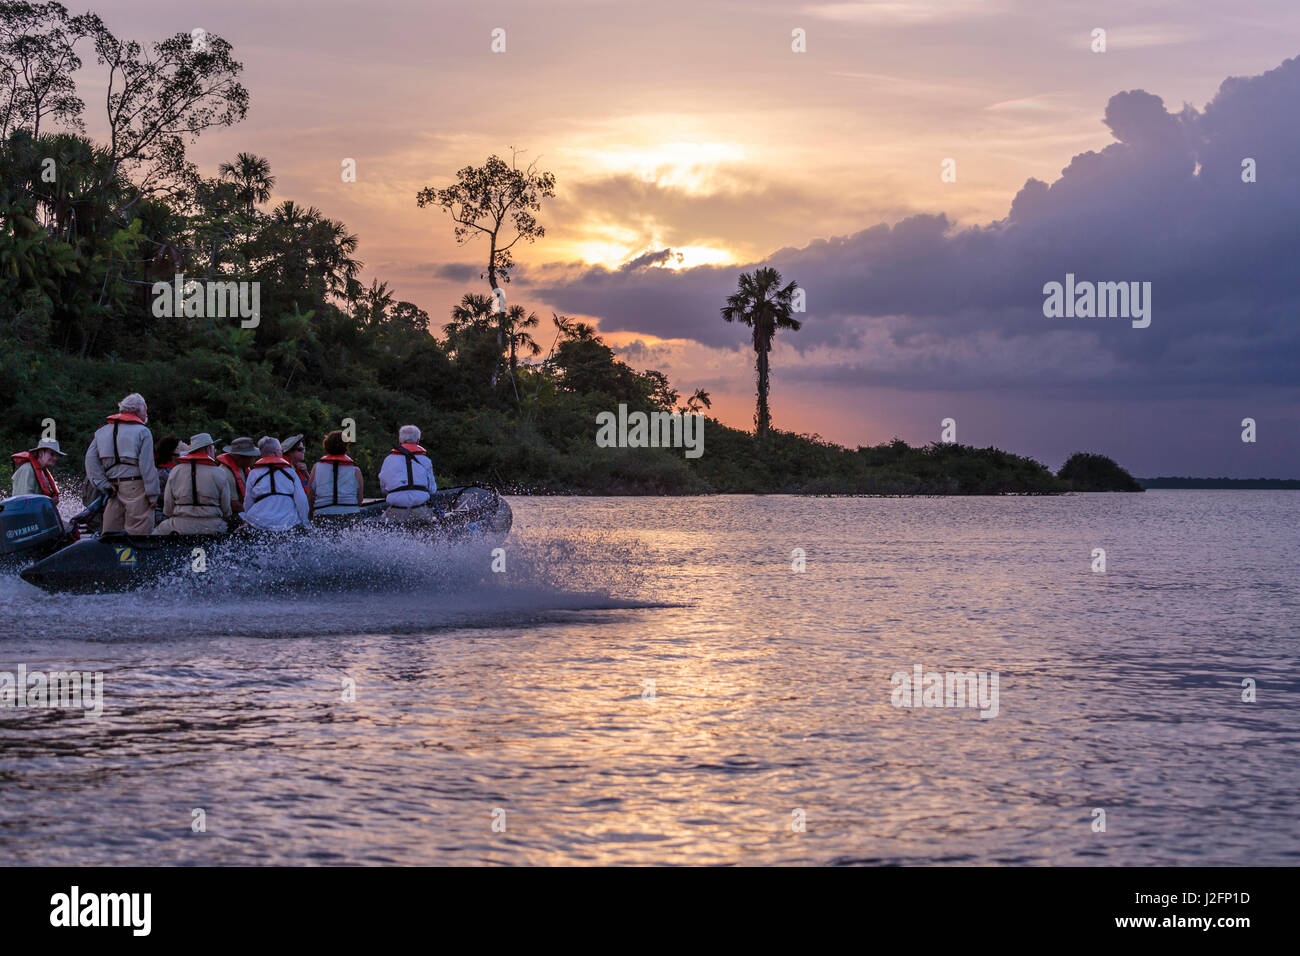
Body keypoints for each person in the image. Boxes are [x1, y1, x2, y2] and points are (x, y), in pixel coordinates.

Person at [84, 392, 158, 535]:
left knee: (110, 535)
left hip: (113, 489)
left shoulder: (101, 432)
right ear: (137, 410)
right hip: (136, 489)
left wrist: (102, 484)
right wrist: (152, 495)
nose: (146, 414)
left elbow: (90, 459)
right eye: (145, 410)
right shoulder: (143, 432)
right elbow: (147, 466)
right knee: (140, 535)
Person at [153, 434, 232, 535]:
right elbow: (226, 510)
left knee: (154, 535)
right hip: (212, 526)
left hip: (180, 526)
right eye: (213, 447)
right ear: (208, 448)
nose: (215, 450)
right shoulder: (220, 472)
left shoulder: (176, 471)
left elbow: (168, 509)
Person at [242, 437, 310, 532]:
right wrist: (306, 523)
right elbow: (302, 500)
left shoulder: (253, 473)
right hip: (288, 523)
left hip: (259, 523)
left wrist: (246, 520)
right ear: (277, 452)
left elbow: (248, 502)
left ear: (262, 453)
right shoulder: (290, 472)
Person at [378, 425, 436, 522]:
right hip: (420, 509)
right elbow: (432, 489)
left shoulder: (389, 460)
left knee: (382, 524)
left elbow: (383, 489)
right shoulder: (426, 461)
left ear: (400, 441)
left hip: (396, 509)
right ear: (418, 441)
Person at [310, 430, 364, 516]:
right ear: (346, 446)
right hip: (350, 513)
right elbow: (360, 500)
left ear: (326, 445)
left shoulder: (316, 468)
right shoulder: (355, 471)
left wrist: (311, 514)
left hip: (322, 513)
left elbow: (310, 496)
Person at [10, 438, 66, 503]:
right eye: (52, 454)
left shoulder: (43, 472)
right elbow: (24, 501)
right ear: (41, 453)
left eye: (57, 455)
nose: (55, 458)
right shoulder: (28, 469)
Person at [216, 437, 259, 515]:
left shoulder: (242, 468)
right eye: (252, 456)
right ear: (240, 457)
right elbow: (234, 504)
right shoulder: (226, 473)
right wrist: (255, 516)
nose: (254, 458)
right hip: (232, 517)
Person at [282, 434, 313, 505]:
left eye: (304, 448)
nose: (303, 451)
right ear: (289, 452)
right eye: (300, 449)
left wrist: (306, 473)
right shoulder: (284, 469)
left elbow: (311, 489)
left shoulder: (298, 468)